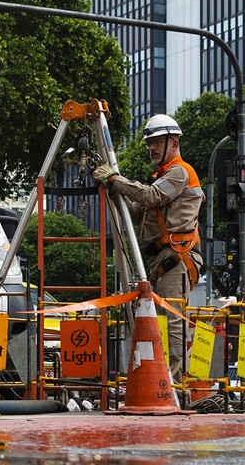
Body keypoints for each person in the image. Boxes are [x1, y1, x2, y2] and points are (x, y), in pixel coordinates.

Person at [92, 114, 204, 381]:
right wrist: (113, 190)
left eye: (157, 142)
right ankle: (159, 380)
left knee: (172, 320)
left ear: (173, 143)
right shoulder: (161, 177)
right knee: (158, 320)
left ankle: (177, 383)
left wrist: (115, 180)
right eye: (149, 143)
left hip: (176, 257)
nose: (152, 148)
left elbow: (151, 196)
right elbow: (136, 212)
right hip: (161, 258)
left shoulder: (179, 172)